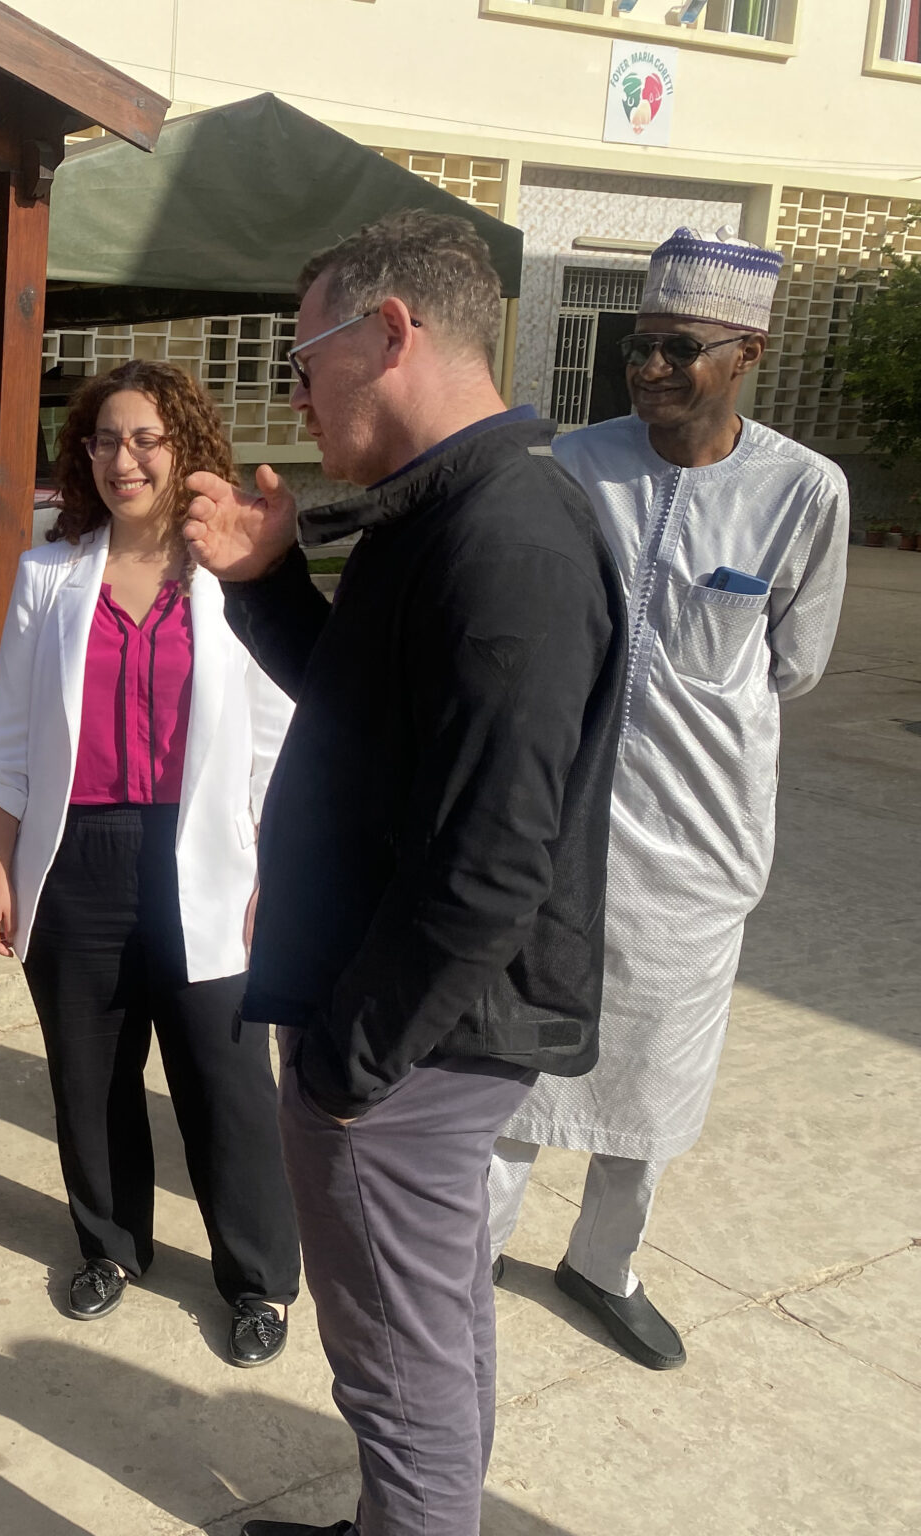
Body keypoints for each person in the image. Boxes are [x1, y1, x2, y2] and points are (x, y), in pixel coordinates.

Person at [181, 213, 627, 1536]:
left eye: (304, 356)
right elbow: (370, 729)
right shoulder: (440, 513)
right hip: (403, 1019)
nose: (293, 391)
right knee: (433, 1339)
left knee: (397, 1374)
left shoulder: (508, 540)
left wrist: (347, 1070)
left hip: (415, 1041)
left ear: (390, 333)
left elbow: (492, 861)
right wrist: (268, 584)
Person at [487, 230, 849, 1371]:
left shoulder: (801, 491)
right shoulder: (572, 463)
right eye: (636, 346)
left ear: (744, 353)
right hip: (561, 826)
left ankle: (602, 1266)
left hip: (697, 847)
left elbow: (793, 662)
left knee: (651, 1085)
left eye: (676, 349)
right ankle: (462, 1256)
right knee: (512, 1065)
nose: (647, 369)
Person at [0, 360, 303, 1366]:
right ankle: (110, 1246)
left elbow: (274, 743)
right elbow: (14, 736)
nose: (123, 459)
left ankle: (256, 1280)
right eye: (105, 440)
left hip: (203, 854)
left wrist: (269, 874)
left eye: (146, 439)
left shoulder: (227, 574)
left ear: (185, 449)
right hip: (77, 858)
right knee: (89, 1069)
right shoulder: (49, 573)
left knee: (226, 1077)